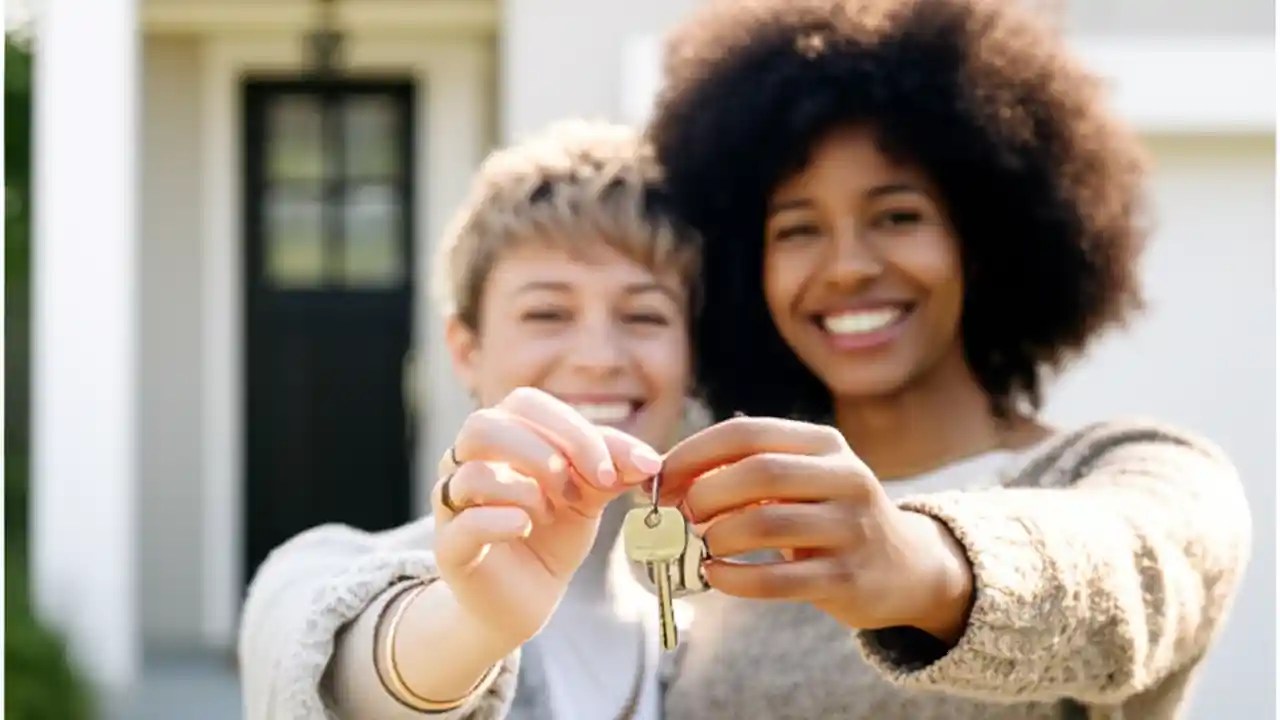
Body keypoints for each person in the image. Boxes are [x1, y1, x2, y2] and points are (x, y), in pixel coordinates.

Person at [639, 0, 1254, 718]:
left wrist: (922, 561)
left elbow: (1134, 579)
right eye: (798, 230)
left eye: (897, 216)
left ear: (984, 239)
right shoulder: (735, 531)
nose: (847, 268)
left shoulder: (1134, 470)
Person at [237, 119, 704, 719]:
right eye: (547, 313)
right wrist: (473, 624)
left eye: (644, 316)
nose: (598, 358)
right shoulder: (317, 572)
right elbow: (333, 670)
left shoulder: (688, 646)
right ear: (466, 351)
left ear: (692, 358)